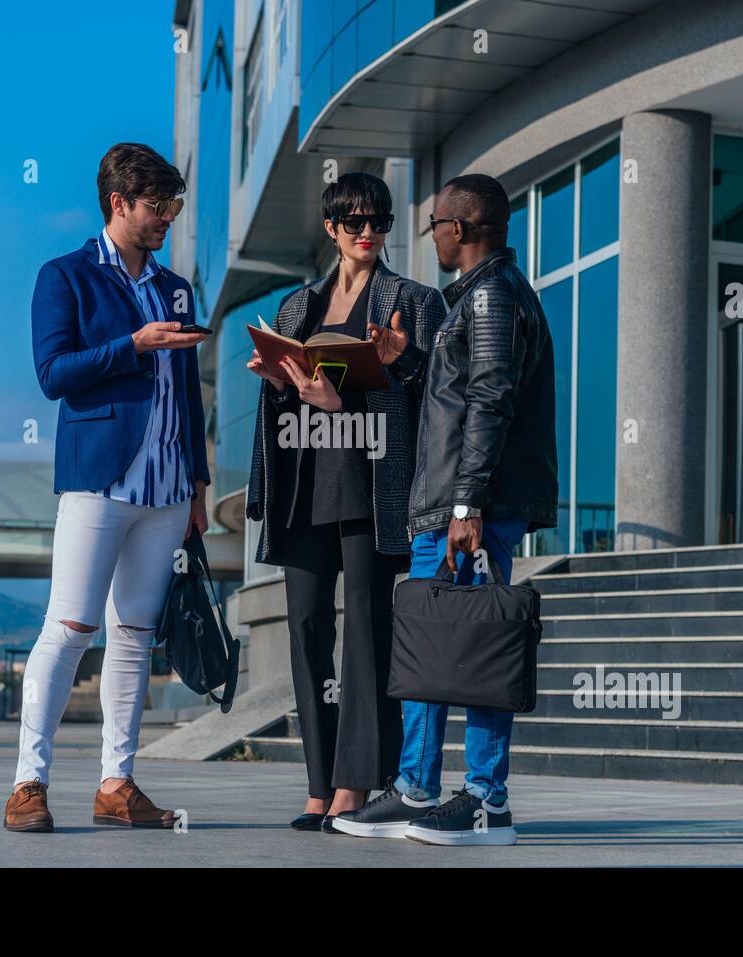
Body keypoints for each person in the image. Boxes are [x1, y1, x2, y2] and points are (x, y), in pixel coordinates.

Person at [333, 173, 559, 846]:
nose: (429, 234)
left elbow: (490, 402)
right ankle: (416, 789)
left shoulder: (491, 298)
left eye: (434, 223)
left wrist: (468, 506)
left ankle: (488, 800)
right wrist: (408, 364)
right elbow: (459, 395)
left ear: (458, 229)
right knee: (432, 645)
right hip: (447, 507)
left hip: (470, 511)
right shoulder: (476, 301)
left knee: (481, 648)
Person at [3, 143, 210, 832]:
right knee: (68, 630)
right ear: (119, 202)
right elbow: (53, 373)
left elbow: (188, 392)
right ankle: (28, 782)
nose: (168, 220)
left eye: (174, 208)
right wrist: (134, 345)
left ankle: (117, 784)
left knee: (133, 635)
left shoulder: (177, 287)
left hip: (169, 487)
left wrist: (199, 482)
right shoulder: (63, 276)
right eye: (159, 207)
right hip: (99, 479)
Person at [245, 172, 446, 832]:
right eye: (355, 222)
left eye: (380, 221)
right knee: (306, 632)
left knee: (366, 634)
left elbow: (438, 398)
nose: (368, 232)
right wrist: (277, 383)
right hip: (304, 489)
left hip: (372, 489)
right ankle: (317, 782)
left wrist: (362, 389)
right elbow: (281, 403)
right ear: (331, 230)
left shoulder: (414, 302)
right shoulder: (295, 308)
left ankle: (356, 785)